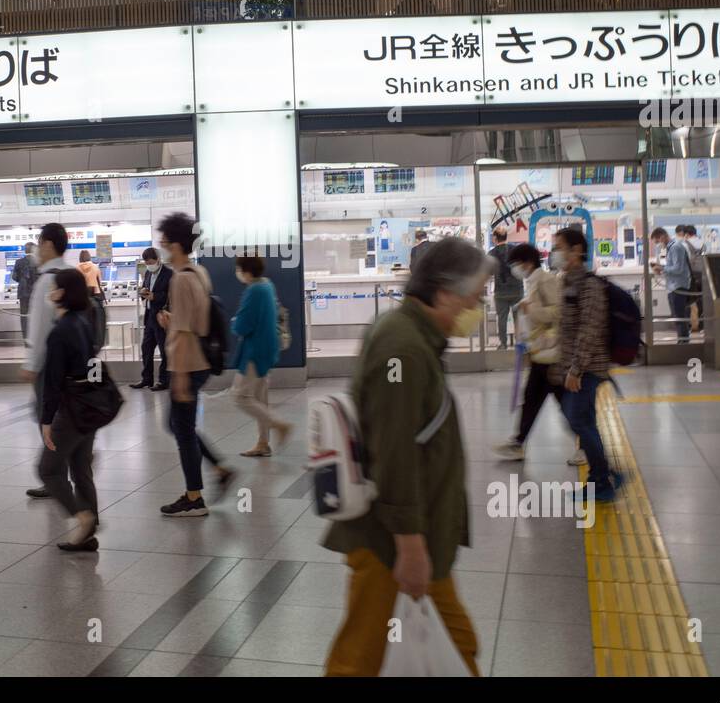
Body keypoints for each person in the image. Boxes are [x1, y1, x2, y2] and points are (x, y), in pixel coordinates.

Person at [322, 237, 493, 677]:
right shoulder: (404, 347)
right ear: (442, 293)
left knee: (457, 644)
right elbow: (393, 452)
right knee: (359, 657)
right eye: (473, 300)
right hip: (390, 542)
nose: (477, 310)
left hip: (419, 533)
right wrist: (410, 546)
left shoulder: (413, 335)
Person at [155, 212, 233, 517]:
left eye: (163, 240)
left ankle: (194, 497)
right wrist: (172, 322)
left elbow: (185, 334)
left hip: (188, 363)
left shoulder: (180, 279)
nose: (161, 245)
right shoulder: (198, 272)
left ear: (175, 244)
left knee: (182, 428)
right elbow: (193, 321)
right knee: (177, 424)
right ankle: (219, 470)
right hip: (200, 359)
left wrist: (181, 378)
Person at [551, 227, 625, 501]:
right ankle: (604, 476)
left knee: (578, 421)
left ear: (577, 250)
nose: (555, 252)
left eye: (559, 247)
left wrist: (575, 369)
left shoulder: (589, 285)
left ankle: (603, 481)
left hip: (587, 369)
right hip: (575, 366)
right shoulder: (568, 281)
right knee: (582, 422)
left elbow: (589, 329)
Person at [37, 268, 102, 553]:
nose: (50, 292)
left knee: (49, 469)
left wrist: (46, 420)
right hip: (89, 404)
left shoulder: (60, 332)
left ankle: (83, 518)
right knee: (81, 468)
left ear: (62, 293)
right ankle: (88, 532)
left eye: (54, 288)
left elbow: (52, 382)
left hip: (71, 409)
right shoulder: (84, 321)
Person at [493, 243, 563, 461]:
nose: (515, 268)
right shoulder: (532, 281)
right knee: (533, 399)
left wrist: (531, 310)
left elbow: (558, 312)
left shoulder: (545, 280)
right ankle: (518, 442)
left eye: (516, 263)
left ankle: (587, 445)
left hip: (551, 355)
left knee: (559, 403)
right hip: (540, 354)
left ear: (527, 262)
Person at [23, 223, 73, 500]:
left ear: (49, 244)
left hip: (50, 367)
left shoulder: (46, 281)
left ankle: (53, 474)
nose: (36, 249)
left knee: (47, 417)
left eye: (38, 242)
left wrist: (31, 365)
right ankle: (70, 464)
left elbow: (40, 330)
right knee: (62, 416)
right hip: (72, 366)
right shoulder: (72, 274)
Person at [231, 255, 293, 457]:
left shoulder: (254, 291)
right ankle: (263, 443)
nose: (238, 273)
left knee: (239, 396)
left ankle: (280, 425)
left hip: (254, 351)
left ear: (246, 271)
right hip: (268, 348)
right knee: (260, 397)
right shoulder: (267, 285)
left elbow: (243, 325)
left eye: (239, 269)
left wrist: (234, 322)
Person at [132, 246, 172, 391]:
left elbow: (171, 295)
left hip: (162, 316)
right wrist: (142, 291)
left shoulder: (169, 274)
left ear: (158, 259)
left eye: (151, 261)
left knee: (164, 350)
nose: (149, 265)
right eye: (146, 262)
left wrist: (155, 297)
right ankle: (146, 378)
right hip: (149, 316)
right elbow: (145, 287)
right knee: (146, 348)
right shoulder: (148, 273)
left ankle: (164, 380)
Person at [651, 227, 692, 342]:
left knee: (680, 317)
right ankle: (682, 340)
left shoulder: (676, 247)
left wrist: (663, 268)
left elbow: (678, 269)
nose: (659, 245)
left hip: (678, 287)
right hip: (673, 287)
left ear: (663, 236)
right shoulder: (671, 248)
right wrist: (662, 269)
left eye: (658, 242)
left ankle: (683, 342)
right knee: (677, 317)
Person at [488, 228, 523, 350]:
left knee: (502, 318)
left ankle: (503, 343)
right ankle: (520, 343)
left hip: (500, 292)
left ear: (495, 238)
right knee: (518, 318)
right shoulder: (516, 250)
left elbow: (489, 272)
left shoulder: (492, 253)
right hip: (517, 291)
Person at [678, 224, 705, 332]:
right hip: (703, 275)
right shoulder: (703, 243)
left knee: (689, 301)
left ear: (687, 234)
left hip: (690, 276)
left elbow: (684, 260)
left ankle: (690, 325)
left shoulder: (685, 244)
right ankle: (702, 325)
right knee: (702, 300)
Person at [12, 242, 39, 342]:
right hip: (36, 293)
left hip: (23, 293)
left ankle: (26, 339)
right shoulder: (38, 262)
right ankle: (35, 338)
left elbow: (14, 277)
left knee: (24, 316)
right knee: (36, 315)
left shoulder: (19, 262)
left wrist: (22, 280)